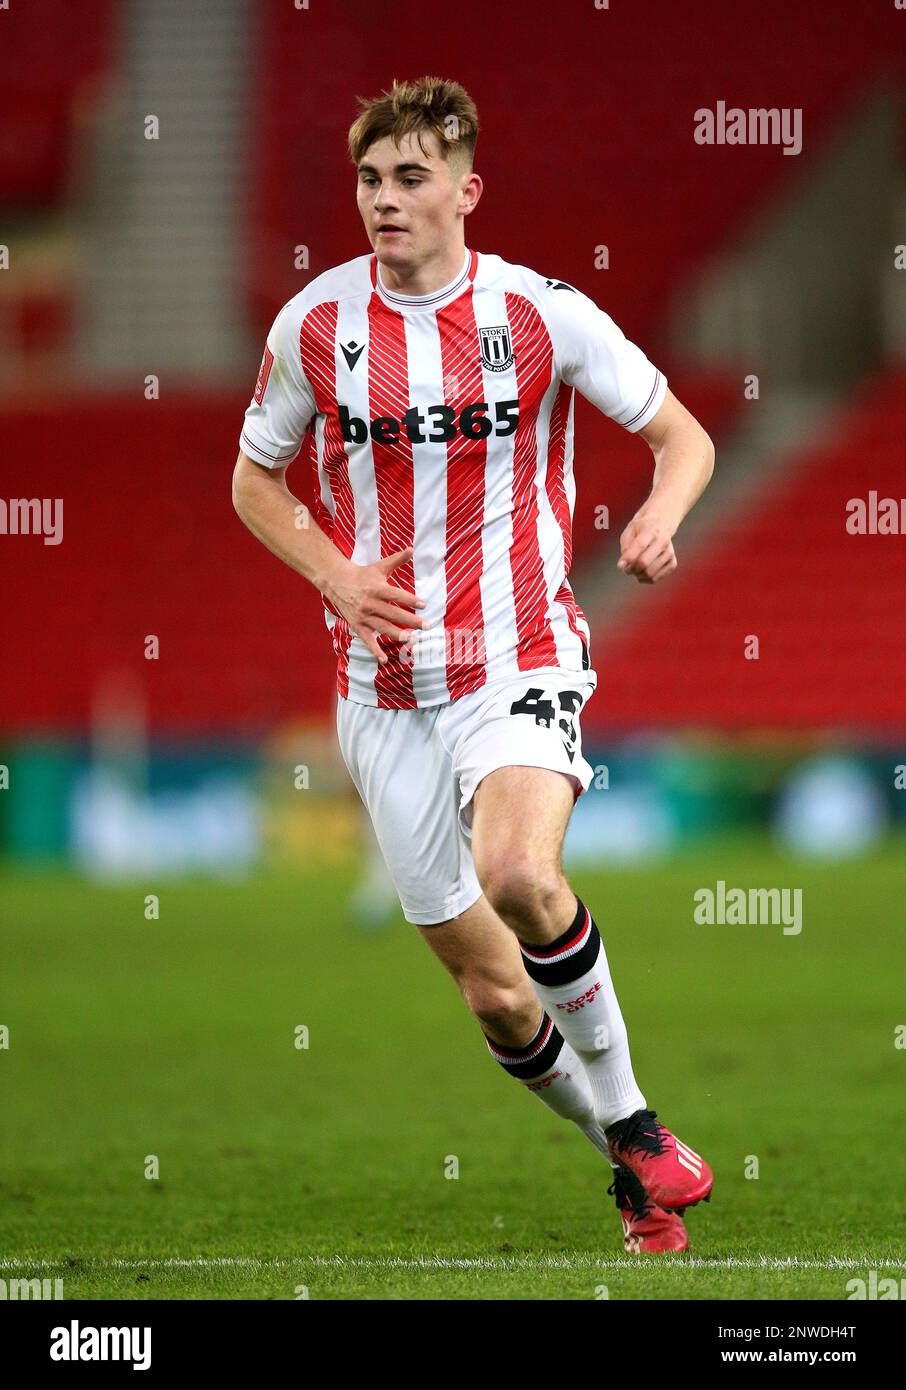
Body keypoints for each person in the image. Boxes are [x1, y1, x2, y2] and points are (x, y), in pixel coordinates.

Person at [233, 76, 715, 1253]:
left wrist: (661, 515)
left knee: (518, 870)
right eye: (369, 179)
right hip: (382, 692)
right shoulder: (314, 327)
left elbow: (682, 437)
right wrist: (338, 577)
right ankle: (631, 1165)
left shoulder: (546, 315)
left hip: (519, 653)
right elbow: (254, 479)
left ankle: (640, 1119)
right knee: (497, 993)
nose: (385, 200)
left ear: (465, 187)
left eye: (410, 177)